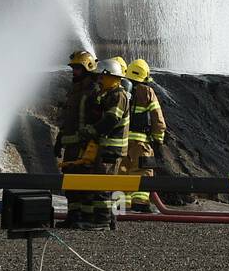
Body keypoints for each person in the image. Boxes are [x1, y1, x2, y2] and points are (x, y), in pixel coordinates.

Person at [61, 58, 130, 230]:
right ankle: (105, 220)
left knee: (102, 186)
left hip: (111, 149)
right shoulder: (107, 94)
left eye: (102, 77)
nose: (99, 79)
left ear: (111, 76)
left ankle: (102, 221)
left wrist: (91, 130)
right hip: (105, 148)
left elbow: (111, 119)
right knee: (98, 184)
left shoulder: (118, 95)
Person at [56, 50, 99, 229]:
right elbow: (69, 118)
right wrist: (59, 138)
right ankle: (73, 216)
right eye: (73, 68)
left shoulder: (93, 90)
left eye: (77, 68)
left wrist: (88, 141)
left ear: (87, 68)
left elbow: (96, 120)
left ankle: (86, 218)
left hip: (84, 146)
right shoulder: (75, 90)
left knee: (85, 183)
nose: (74, 71)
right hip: (71, 146)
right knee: (70, 182)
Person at [120, 59, 166, 213]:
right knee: (143, 172)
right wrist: (158, 141)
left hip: (121, 141)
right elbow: (157, 119)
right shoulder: (147, 92)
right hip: (141, 143)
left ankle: (122, 205)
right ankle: (140, 203)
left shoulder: (121, 90)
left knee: (122, 172)